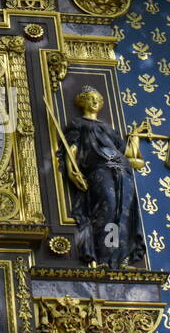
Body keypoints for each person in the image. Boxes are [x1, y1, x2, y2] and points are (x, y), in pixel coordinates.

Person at [62, 86, 147, 268]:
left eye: (98, 100)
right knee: (107, 210)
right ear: (82, 101)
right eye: (91, 98)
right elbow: (72, 149)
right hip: (99, 170)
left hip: (123, 171)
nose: (95, 102)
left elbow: (128, 152)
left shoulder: (108, 128)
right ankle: (104, 258)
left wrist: (135, 136)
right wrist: (71, 170)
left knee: (122, 213)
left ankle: (119, 259)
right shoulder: (78, 124)